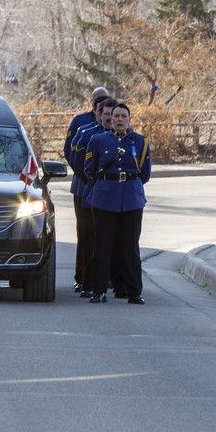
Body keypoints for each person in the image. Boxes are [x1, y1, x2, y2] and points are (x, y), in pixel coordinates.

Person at [84, 103, 151, 304]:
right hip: (105, 197)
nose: (120, 119)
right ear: (110, 120)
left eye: (124, 116)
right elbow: (90, 169)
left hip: (131, 198)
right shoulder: (98, 140)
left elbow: (145, 173)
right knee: (102, 245)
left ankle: (134, 292)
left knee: (130, 246)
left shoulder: (140, 141)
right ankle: (99, 290)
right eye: (117, 116)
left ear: (129, 119)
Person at [69, 95, 116, 296]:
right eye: (104, 113)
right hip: (87, 190)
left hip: (113, 194)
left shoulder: (123, 137)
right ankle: (85, 279)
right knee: (87, 238)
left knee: (110, 239)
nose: (108, 118)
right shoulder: (84, 129)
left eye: (111, 115)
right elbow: (75, 157)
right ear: (96, 112)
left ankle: (110, 279)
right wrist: (92, 181)